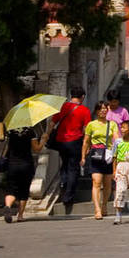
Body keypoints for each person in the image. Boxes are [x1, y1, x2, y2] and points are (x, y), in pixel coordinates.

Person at [49, 86, 91, 216]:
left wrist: (47, 134)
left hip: (61, 141)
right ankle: (68, 196)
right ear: (82, 97)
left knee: (65, 163)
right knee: (73, 167)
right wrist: (87, 145)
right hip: (75, 141)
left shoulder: (62, 107)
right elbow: (86, 129)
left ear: (71, 95)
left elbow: (52, 123)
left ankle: (63, 183)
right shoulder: (84, 110)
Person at [81, 101, 117, 221]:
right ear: (96, 111)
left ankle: (104, 205)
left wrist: (117, 152)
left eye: (105, 108)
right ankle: (97, 209)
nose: (103, 110)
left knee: (107, 184)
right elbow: (86, 141)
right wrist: (83, 156)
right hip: (95, 155)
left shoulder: (112, 124)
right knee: (96, 182)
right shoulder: (91, 124)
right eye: (100, 109)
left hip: (108, 156)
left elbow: (116, 139)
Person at [2, 124, 42, 223]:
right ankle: (20, 216)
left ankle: (7, 206)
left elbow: (6, 149)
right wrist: (44, 139)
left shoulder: (10, 132)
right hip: (26, 164)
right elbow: (36, 149)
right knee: (24, 190)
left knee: (11, 189)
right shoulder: (30, 132)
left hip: (12, 164)